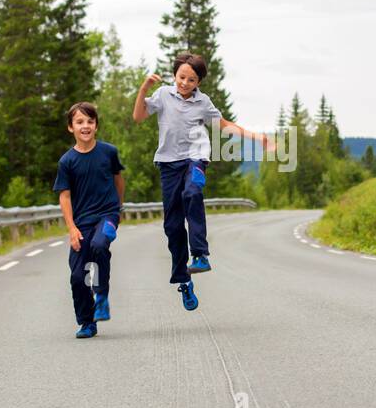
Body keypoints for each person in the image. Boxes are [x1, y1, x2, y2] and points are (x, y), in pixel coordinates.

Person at [132, 52, 272, 311]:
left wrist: (256, 138)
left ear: (198, 82)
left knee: (193, 191)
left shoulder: (202, 102)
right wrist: (144, 88)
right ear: (175, 75)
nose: (185, 83)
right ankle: (184, 280)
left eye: (192, 79)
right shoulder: (163, 95)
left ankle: (200, 254)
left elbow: (224, 125)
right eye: (182, 77)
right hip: (168, 164)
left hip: (195, 158)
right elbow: (139, 117)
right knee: (172, 227)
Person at [53, 101, 124, 338]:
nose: (86, 126)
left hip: (107, 214)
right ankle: (87, 322)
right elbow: (64, 196)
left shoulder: (109, 152)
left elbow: (118, 181)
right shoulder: (67, 161)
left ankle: (101, 294)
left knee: (99, 244)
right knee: (77, 276)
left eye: (90, 121)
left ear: (96, 125)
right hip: (81, 222)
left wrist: (118, 210)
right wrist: (71, 228)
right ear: (70, 128)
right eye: (80, 122)